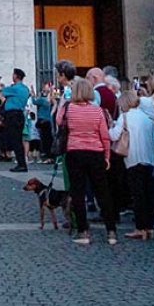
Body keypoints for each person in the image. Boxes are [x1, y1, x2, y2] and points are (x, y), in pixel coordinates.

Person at [60, 78, 117, 246]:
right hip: (96, 152)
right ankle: (111, 231)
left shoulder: (69, 109)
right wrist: (107, 156)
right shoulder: (97, 111)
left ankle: (83, 231)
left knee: (78, 192)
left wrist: (63, 101)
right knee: (103, 192)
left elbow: (58, 122)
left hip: (75, 151)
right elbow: (104, 136)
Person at [109, 87, 154, 239]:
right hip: (150, 158)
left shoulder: (124, 117)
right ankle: (149, 227)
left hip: (133, 158)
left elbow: (114, 136)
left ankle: (140, 227)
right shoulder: (146, 116)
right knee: (149, 194)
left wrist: (110, 125)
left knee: (138, 196)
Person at [1, 68, 30, 173]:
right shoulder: (25, 89)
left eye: (13, 75)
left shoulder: (15, 88)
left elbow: (3, 92)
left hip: (12, 115)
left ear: (16, 76)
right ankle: (22, 163)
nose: (12, 76)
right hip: (20, 115)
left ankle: (21, 164)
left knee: (15, 140)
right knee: (18, 139)